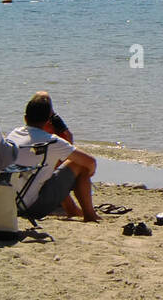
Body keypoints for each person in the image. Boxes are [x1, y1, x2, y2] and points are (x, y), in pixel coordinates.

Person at [5, 92, 99, 221]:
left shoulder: (14, 134)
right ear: (48, 120)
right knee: (79, 165)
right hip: (32, 208)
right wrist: (88, 173)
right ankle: (89, 215)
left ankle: (73, 209)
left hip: (8, 202)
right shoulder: (51, 141)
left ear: (25, 118)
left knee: (48, 168)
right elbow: (90, 162)